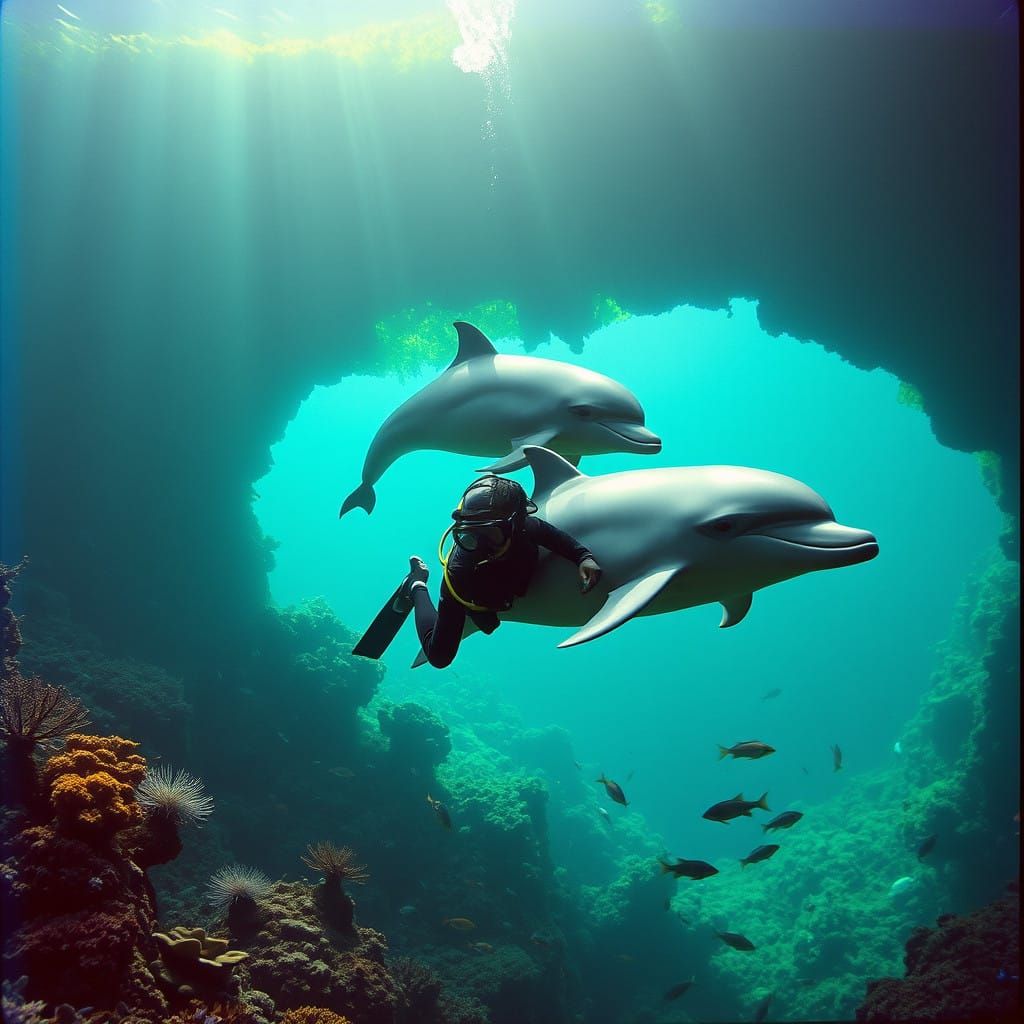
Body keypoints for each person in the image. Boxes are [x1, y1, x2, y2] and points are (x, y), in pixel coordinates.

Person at [400, 475, 602, 668]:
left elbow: (554, 537)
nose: (482, 545)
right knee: (439, 657)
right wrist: (480, 612)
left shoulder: (526, 528)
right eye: (471, 534)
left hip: (502, 583)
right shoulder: (460, 571)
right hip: (471, 592)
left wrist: (583, 557)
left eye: (490, 534)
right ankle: (416, 583)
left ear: (514, 526)